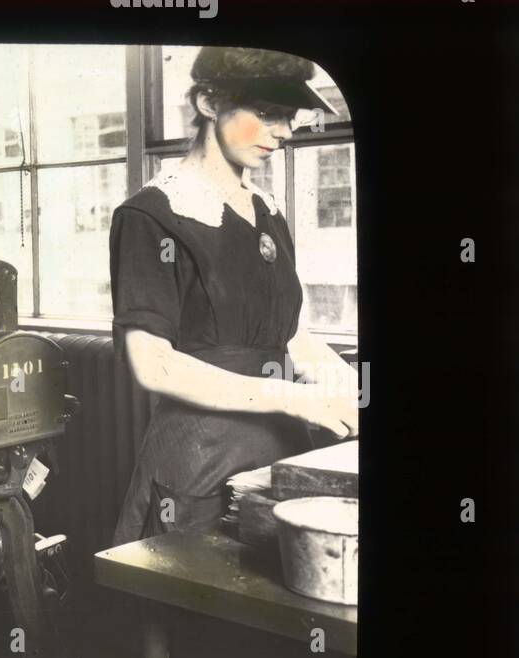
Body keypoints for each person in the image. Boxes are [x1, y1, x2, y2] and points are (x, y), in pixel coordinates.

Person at [110, 46, 360, 544]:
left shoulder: (266, 211)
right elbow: (152, 364)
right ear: (207, 103)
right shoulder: (150, 215)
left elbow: (290, 336)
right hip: (201, 459)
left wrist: (356, 394)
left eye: (287, 117)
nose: (284, 132)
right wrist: (298, 398)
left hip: (283, 452)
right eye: (267, 114)